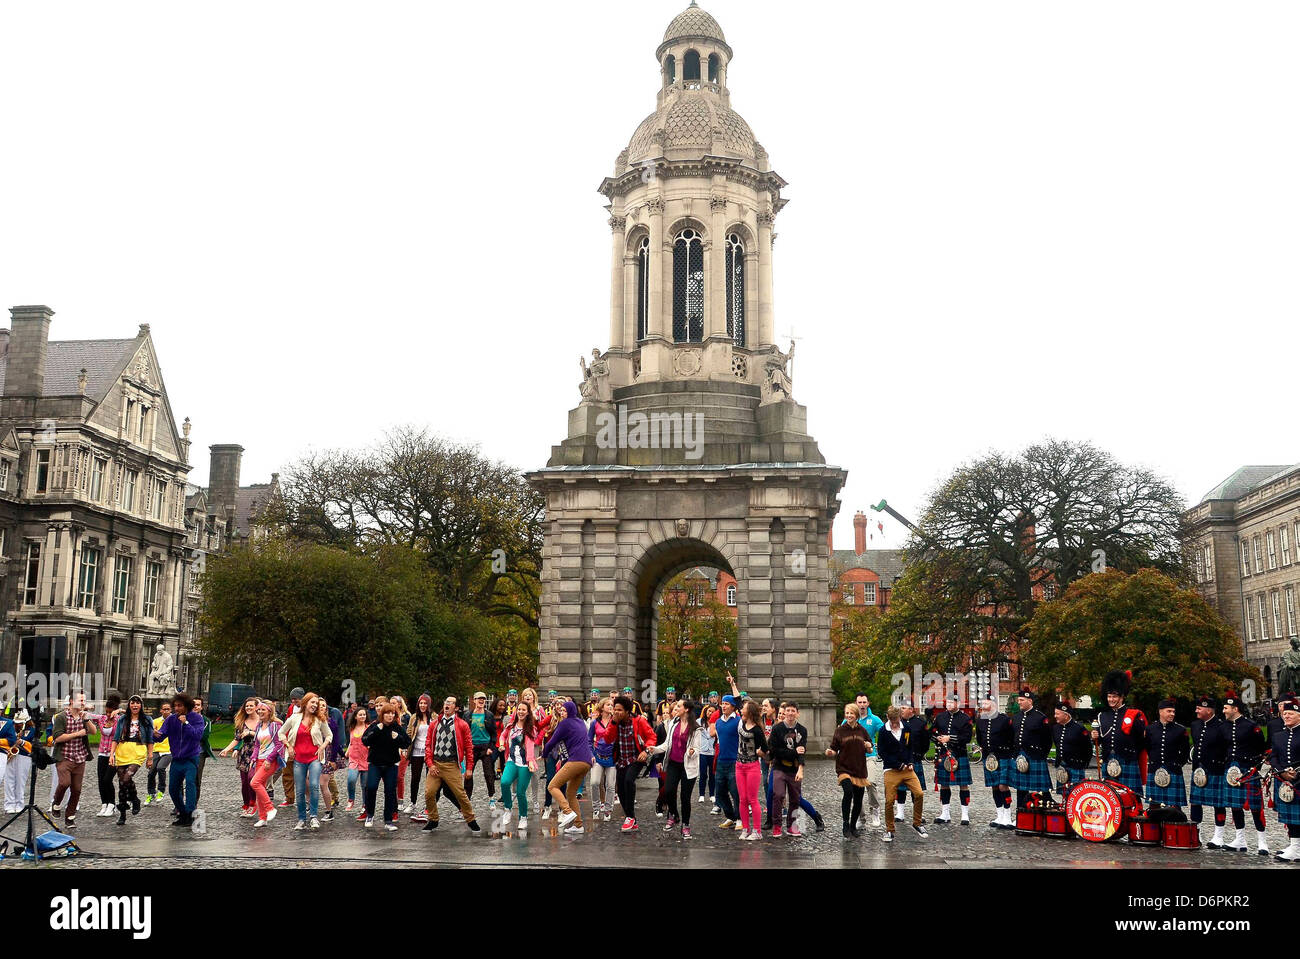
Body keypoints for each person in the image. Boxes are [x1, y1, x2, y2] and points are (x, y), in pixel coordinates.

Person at [421, 696, 481, 833]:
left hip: (451, 765)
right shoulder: (435, 724)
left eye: (451, 703)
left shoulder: (462, 725)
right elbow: (428, 745)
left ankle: (471, 820)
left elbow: (468, 748)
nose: (447, 704)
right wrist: (430, 764)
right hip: (436, 764)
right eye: (446, 702)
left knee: (460, 794)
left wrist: (469, 768)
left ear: (456, 707)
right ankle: (433, 819)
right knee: (429, 792)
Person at [647, 700, 702, 839]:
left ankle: (686, 825)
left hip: (688, 766)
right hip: (673, 763)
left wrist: (692, 752)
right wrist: (655, 750)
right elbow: (667, 744)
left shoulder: (695, 728)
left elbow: (697, 748)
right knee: (669, 790)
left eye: (679, 706)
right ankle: (673, 814)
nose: (675, 708)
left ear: (687, 710)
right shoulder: (673, 723)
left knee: (685, 797)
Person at [602, 695, 656, 832]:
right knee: (620, 791)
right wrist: (613, 723)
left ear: (627, 711)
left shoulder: (639, 721)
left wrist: (646, 751)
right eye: (615, 709)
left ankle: (630, 817)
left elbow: (651, 737)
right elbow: (607, 739)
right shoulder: (615, 722)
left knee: (628, 781)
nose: (616, 712)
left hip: (636, 758)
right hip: (621, 760)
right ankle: (631, 819)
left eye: (619, 710)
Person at [1222, 692, 1268, 855]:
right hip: (1231, 769)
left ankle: (1262, 842)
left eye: (1226, 708)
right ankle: (1239, 840)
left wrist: (1255, 768)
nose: (1223, 711)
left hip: (1248, 769)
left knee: (1255, 807)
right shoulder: (1224, 726)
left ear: (1235, 709)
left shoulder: (1251, 726)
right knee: (1235, 806)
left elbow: (1261, 749)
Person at [278, 691, 331, 830]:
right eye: (312, 702)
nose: (315, 705)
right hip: (299, 759)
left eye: (316, 703)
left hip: (315, 758)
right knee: (300, 790)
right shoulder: (295, 718)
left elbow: (329, 735)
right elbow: (281, 733)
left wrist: (322, 747)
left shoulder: (320, 719)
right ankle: (301, 819)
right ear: (305, 703)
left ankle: (313, 816)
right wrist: (288, 746)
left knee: (314, 785)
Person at [543, 699, 595, 835]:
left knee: (552, 786)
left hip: (576, 761)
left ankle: (567, 811)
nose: (562, 712)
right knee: (571, 793)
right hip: (586, 763)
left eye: (565, 710)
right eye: (561, 710)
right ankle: (578, 826)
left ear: (571, 711)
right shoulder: (580, 722)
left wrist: (544, 754)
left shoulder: (565, 723)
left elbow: (552, 742)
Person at [877, 704, 927, 843]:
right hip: (891, 770)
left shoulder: (906, 728)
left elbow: (909, 747)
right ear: (888, 718)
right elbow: (882, 753)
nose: (894, 724)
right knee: (889, 801)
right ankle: (890, 830)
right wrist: (897, 764)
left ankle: (917, 823)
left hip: (907, 769)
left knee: (919, 793)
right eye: (892, 721)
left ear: (900, 717)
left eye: (896, 721)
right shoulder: (883, 731)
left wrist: (910, 762)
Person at [50, 692, 100, 829]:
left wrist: (87, 720)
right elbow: (57, 738)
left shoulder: (84, 717)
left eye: (84, 700)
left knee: (77, 789)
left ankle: (70, 817)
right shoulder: (61, 717)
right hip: (64, 756)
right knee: (65, 782)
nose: (83, 702)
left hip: (80, 757)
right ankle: (56, 803)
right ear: (72, 701)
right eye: (80, 700)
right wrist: (77, 734)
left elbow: (94, 732)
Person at [158, 692, 205, 827]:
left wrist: (186, 723)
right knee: (173, 789)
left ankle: (190, 813)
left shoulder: (196, 718)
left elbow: (197, 736)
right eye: (175, 706)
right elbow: (161, 736)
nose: (177, 708)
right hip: (177, 759)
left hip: (191, 758)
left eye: (180, 706)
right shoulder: (171, 719)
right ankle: (182, 812)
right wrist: (154, 734)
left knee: (190, 784)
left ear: (187, 706)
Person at [1188, 695, 1230, 849]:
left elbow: (1227, 748)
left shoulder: (1222, 726)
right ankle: (1196, 832)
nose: (1196, 710)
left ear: (1209, 710)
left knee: (1218, 804)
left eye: (1199, 708)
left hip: (1215, 770)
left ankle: (1218, 835)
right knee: (1195, 803)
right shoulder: (1195, 725)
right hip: (1198, 770)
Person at [1095, 669, 1146, 793]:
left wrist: (1130, 754)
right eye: (1109, 696)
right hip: (1108, 761)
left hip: (1127, 760)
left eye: (1114, 696)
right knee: (1110, 798)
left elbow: (1142, 741)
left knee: (1132, 798)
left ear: (1122, 697)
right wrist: (1095, 737)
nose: (1111, 699)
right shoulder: (1102, 716)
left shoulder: (1135, 715)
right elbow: (1100, 741)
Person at [361, 701, 410, 830]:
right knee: (371, 787)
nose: (389, 716)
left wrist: (397, 738)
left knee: (390, 791)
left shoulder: (396, 727)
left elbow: (407, 742)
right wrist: (377, 730)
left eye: (392, 713)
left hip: (391, 764)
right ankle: (370, 814)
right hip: (375, 763)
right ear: (382, 715)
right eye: (387, 713)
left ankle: (388, 820)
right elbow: (365, 740)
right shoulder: (376, 725)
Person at [826, 702, 871, 839]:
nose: (849, 715)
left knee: (858, 799)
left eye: (851, 713)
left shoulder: (862, 730)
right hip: (844, 768)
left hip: (859, 769)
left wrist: (869, 746)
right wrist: (830, 752)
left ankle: (853, 826)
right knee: (848, 791)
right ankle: (845, 824)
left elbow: (869, 747)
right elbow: (834, 747)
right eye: (847, 713)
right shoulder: (840, 730)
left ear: (856, 715)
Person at [109, 695, 154, 825]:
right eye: (132, 703)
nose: (135, 705)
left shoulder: (147, 720)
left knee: (126, 778)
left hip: (138, 751)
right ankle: (123, 813)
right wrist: (112, 755)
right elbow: (116, 738)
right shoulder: (123, 719)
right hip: (123, 751)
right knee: (122, 784)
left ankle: (134, 799)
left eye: (137, 703)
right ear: (129, 705)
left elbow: (150, 740)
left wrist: (150, 757)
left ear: (141, 705)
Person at [768, 701, 810, 837]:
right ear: (784, 712)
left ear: (798, 713)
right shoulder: (777, 729)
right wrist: (794, 752)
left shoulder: (802, 730)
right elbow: (775, 751)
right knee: (778, 795)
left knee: (795, 798)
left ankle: (792, 826)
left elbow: (802, 751)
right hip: (779, 766)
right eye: (788, 710)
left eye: (793, 711)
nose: (790, 713)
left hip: (794, 768)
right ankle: (777, 825)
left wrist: (801, 769)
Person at [930, 693, 973, 825]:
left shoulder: (966, 718)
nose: (949, 704)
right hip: (943, 754)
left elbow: (967, 737)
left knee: (963, 785)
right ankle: (945, 813)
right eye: (947, 702)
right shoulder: (940, 717)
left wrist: (950, 738)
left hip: (959, 754)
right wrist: (937, 738)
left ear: (958, 704)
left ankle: (965, 814)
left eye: (952, 702)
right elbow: (932, 732)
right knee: (944, 784)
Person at [499, 701, 542, 829]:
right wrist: (502, 744)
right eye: (519, 709)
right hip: (512, 761)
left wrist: (530, 761)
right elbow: (503, 735)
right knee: (504, 782)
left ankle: (523, 817)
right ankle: (508, 809)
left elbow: (529, 746)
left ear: (528, 712)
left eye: (524, 710)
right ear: (516, 711)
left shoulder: (530, 729)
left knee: (520, 792)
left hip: (525, 763)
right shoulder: (511, 726)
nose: (521, 712)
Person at [1008, 689, 1051, 811]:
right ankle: (1020, 815)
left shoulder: (1040, 718)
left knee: (1042, 790)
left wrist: (1042, 755)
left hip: (1036, 756)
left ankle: (1044, 814)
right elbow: (1012, 737)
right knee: (1020, 788)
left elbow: (1047, 740)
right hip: (1019, 755)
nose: (1019, 703)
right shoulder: (1016, 717)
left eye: (1021, 700)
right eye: (1018, 700)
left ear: (1030, 701)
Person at [1144, 697, 1189, 812]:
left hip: (1173, 771)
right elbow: (1148, 747)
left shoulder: (1180, 730)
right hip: (1154, 770)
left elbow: (1185, 752)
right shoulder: (1150, 729)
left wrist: (1176, 765)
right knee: (1154, 807)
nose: (1172, 714)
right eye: (1169, 711)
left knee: (1175, 809)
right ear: (1160, 711)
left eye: (1173, 711)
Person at [976, 696, 1015, 828]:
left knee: (1003, 786)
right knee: (994, 786)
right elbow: (979, 738)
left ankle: (1008, 816)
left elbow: (1012, 738)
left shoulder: (1004, 720)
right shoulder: (980, 720)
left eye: (986, 702)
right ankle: (999, 815)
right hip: (989, 757)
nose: (983, 704)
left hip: (1003, 756)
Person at [219, 696, 262, 816]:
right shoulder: (242, 722)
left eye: (251, 706)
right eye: (246, 706)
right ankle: (246, 804)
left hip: (257, 752)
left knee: (251, 779)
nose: (248, 708)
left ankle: (253, 803)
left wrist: (251, 733)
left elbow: (266, 736)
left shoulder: (262, 720)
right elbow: (237, 739)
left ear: (256, 707)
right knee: (244, 782)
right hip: (245, 753)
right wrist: (227, 749)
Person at [1269, 700, 1300, 860]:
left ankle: (1297, 848)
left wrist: (1296, 773)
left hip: (1299, 780)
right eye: (1284, 714)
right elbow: (1273, 756)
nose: (1286, 716)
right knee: (1291, 818)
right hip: (1285, 781)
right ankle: (1295, 847)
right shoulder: (1278, 736)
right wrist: (1281, 772)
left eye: (1291, 713)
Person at [734, 699, 767, 840]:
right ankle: (745, 829)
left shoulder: (757, 730)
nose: (742, 709)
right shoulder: (741, 722)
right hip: (739, 765)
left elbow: (765, 748)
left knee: (752, 799)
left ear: (750, 712)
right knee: (742, 799)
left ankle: (757, 831)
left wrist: (760, 753)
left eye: (744, 708)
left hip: (752, 766)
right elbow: (738, 701)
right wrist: (733, 684)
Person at [248, 701, 284, 827]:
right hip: (259, 760)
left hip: (271, 761)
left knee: (255, 782)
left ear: (270, 711)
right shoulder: (259, 726)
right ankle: (263, 818)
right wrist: (253, 757)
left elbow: (279, 745)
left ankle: (270, 808)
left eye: (263, 710)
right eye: (259, 710)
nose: (260, 712)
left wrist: (269, 759)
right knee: (259, 788)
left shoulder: (275, 726)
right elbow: (257, 745)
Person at [711, 692, 743, 829]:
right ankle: (730, 816)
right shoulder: (718, 722)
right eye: (722, 703)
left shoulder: (738, 721)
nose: (723, 706)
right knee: (720, 793)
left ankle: (740, 818)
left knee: (735, 792)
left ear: (733, 706)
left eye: (727, 704)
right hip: (721, 761)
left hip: (734, 761)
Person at [854, 693, 884, 829]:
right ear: (856, 703)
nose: (861, 705)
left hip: (870, 755)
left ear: (868, 703)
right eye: (859, 702)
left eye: (864, 702)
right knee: (857, 787)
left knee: (870, 782)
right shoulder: (850, 718)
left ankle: (875, 810)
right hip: (854, 758)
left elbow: (885, 733)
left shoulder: (874, 719)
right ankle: (860, 816)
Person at [464, 691, 498, 807]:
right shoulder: (468, 715)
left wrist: (490, 747)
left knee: (489, 774)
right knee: (469, 774)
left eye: (483, 699)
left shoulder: (489, 715)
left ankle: (491, 797)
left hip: (485, 747)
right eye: (479, 699)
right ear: (474, 700)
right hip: (472, 747)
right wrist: (466, 747)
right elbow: (464, 733)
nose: (481, 701)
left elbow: (494, 734)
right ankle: (467, 798)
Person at [1051, 701, 1091, 796]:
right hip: (1062, 766)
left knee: (1077, 794)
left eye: (1057, 714)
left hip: (1076, 765)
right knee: (1064, 794)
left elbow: (1088, 748)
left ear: (1066, 715)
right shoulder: (1055, 728)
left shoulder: (1079, 729)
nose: (1055, 716)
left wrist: (1083, 764)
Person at [92, 693, 122, 817]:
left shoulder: (120, 719)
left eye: (111, 712)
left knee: (107, 779)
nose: (108, 715)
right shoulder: (102, 719)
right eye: (107, 712)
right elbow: (86, 715)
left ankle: (112, 804)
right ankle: (104, 803)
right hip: (102, 753)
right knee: (100, 780)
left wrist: (120, 711)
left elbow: (132, 715)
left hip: (114, 754)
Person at [404, 693, 434, 820]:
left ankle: (429, 804)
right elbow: (409, 733)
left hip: (429, 752)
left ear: (428, 704)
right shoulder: (414, 718)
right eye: (421, 703)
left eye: (425, 703)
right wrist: (405, 747)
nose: (422, 705)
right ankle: (413, 802)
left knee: (430, 780)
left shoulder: (434, 717)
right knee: (415, 778)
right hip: (416, 751)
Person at [588, 698, 617, 822]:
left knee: (610, 785)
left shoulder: (615, 722)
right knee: (594, 782)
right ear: (602, 707)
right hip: (598, 756)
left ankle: (608, 810)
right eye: (608, 704)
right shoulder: (594, 723)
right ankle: (596, 807)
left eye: (612, 705)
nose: (610, 706)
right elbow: (589, 741)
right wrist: (591, 754)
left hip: (612, 757)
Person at [3, 708, 36, 813]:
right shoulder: (11, 727)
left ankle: (19, 804)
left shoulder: (31, 730)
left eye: (21, 723)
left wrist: (21, 741)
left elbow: (33, 746)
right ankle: (9, 804)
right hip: (11, 755)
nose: (19, 725)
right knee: (9, 780)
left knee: (20, 781)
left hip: (24, 756)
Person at [278, 687, 306, 806]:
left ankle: (306, 799)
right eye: (292, 699)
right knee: (287, 772)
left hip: (303, 745)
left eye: (296, 699)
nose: (294, 702)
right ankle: (289, 798)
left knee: (305, 775)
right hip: (290, 744)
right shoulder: (291, 708)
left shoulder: (308, 709)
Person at [146, 700, 172, 805]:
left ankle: (161, 790)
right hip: (157, 749)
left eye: (168, 709)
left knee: (161, 768)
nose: (166, 711)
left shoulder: (173, 721)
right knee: (151, 772)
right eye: (164, 709)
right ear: (161, 710)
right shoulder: (155, 721)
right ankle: (151, 793)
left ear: (171, 710)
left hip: (169, 750)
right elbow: (152, 736)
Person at [192, 696, 217, 802]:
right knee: (179, 779)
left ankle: (193, 803)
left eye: (198, 705)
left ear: (202, 707)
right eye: (193, 705)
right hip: (183, 752)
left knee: (196, 779)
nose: (195, 707)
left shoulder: (206, 721)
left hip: (199, 752)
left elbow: (203, 736)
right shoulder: (183, 718)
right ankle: (178, 805)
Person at [345, 707, 369, 810]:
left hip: (366, 759)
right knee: (351, 779)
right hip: (353, 759)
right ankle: (351, 799)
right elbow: (351, 742)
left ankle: (365, 804)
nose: (362, 716)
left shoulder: (369, 728)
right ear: (355, 716)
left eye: (364, 714)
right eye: (360, 714)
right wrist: (347, 751)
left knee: (365, 785)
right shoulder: (352, 728)